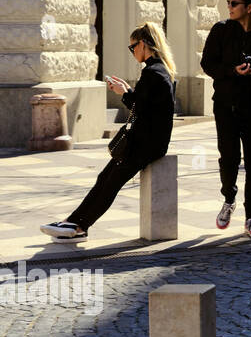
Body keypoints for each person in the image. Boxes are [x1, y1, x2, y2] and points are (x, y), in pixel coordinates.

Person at [42, 23, 177, 241]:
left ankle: (77, 226)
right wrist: (128, 91)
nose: (132, 52)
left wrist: (124, 93)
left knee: (110, 183)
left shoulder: (153, 72)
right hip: (147, 141)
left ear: (143, 44)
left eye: (132, 47)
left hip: (145, 145)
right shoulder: (160, 70)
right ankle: (75, 223)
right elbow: (148, 104)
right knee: (105, 178)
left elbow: (140, 108)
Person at [200, 0, 251, 239]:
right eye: (229, 3)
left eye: (234, 4)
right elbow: (207, 64)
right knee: (229, 158)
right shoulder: (221, 30)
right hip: (226, 106)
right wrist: (233, 70)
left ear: (249, 8)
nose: (229, 7)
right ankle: (229, 199)